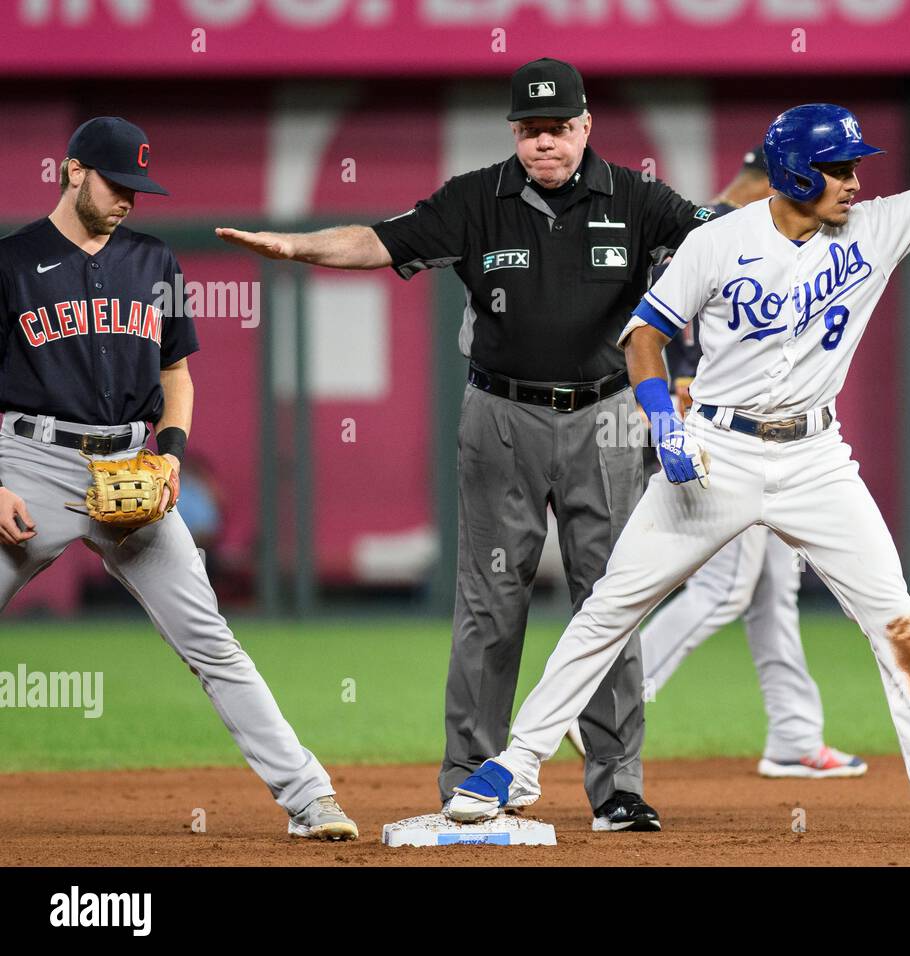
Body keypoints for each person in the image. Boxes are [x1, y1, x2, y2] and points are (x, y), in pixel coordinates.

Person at [445, 31, 910, 842]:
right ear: (795, 174)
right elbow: (644, 334)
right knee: (611, 607)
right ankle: (517, 764)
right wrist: (663, 419)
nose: (858, 182)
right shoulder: (719, 240)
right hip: (718, 453)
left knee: (898, 622)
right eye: (842, 168)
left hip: (818, 459)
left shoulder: (875, 228)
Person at [217, 58, 716, 832]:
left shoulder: (639, 198)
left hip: (607, 417)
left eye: (558, 128)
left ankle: (616, 788)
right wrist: (296, 249)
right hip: (502, 419)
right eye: (530, 130)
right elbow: (378, 242)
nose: (544, 143)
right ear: (514, 132)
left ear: (586, 126)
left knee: (613, 601)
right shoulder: (476, 199)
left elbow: (719, 244)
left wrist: (792, 221)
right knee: (490, 602)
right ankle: (471, 780)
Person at [0, 117, 356, 841]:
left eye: (139, 185)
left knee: (211, 640)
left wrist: (170, 455)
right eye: (116, 182)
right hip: (28, 464)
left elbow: (176, 375)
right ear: (72, 172)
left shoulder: (154, 261)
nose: (130, 197)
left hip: (134, 465)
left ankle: (310, 797)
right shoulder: (10, 263)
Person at [640, 145, 865, 778]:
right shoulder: (711, 233)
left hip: (775, 441)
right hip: (718, 436)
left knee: (774, 591)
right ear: (774, 180)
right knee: (725, 588)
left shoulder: (766, 234)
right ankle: (612, 700)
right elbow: (656, 337)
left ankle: (795, 735)